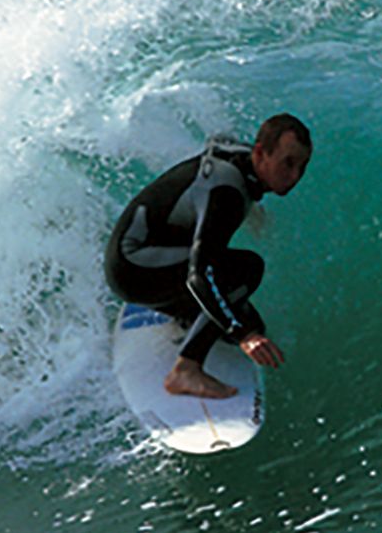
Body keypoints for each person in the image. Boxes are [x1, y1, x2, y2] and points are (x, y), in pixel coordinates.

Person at [105, 113, 312, 399]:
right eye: (287, 163)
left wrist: (243, 330)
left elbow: (217, 143)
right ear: (261, 153)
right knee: (246, 270)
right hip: (134, 267)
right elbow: (201, 273)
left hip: (156, 250)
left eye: (302, 167)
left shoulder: (243, 159)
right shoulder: (226, 193)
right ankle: (186, 369)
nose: (294, 176)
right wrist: (243, 336)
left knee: (250, 323)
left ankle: (185, 314)